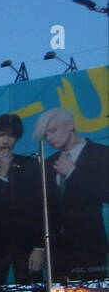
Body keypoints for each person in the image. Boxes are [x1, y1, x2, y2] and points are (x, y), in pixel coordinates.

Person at [34, 107, 109, 281]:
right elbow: (46, 209)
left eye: (52, 131)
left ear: (71, 125)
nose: (50, 139)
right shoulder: (48, 163)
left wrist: (72, 174)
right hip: (57, 250)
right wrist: (40, 247)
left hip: (90, 247)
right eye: (46, 136)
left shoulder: (101, 154)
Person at [0, 114, 43, 284]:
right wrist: (2, 174)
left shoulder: (30, 165)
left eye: (11, 136)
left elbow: (40, 207)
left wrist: (39, 247)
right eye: (1, 135)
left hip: (27, 247)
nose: (6, 140)